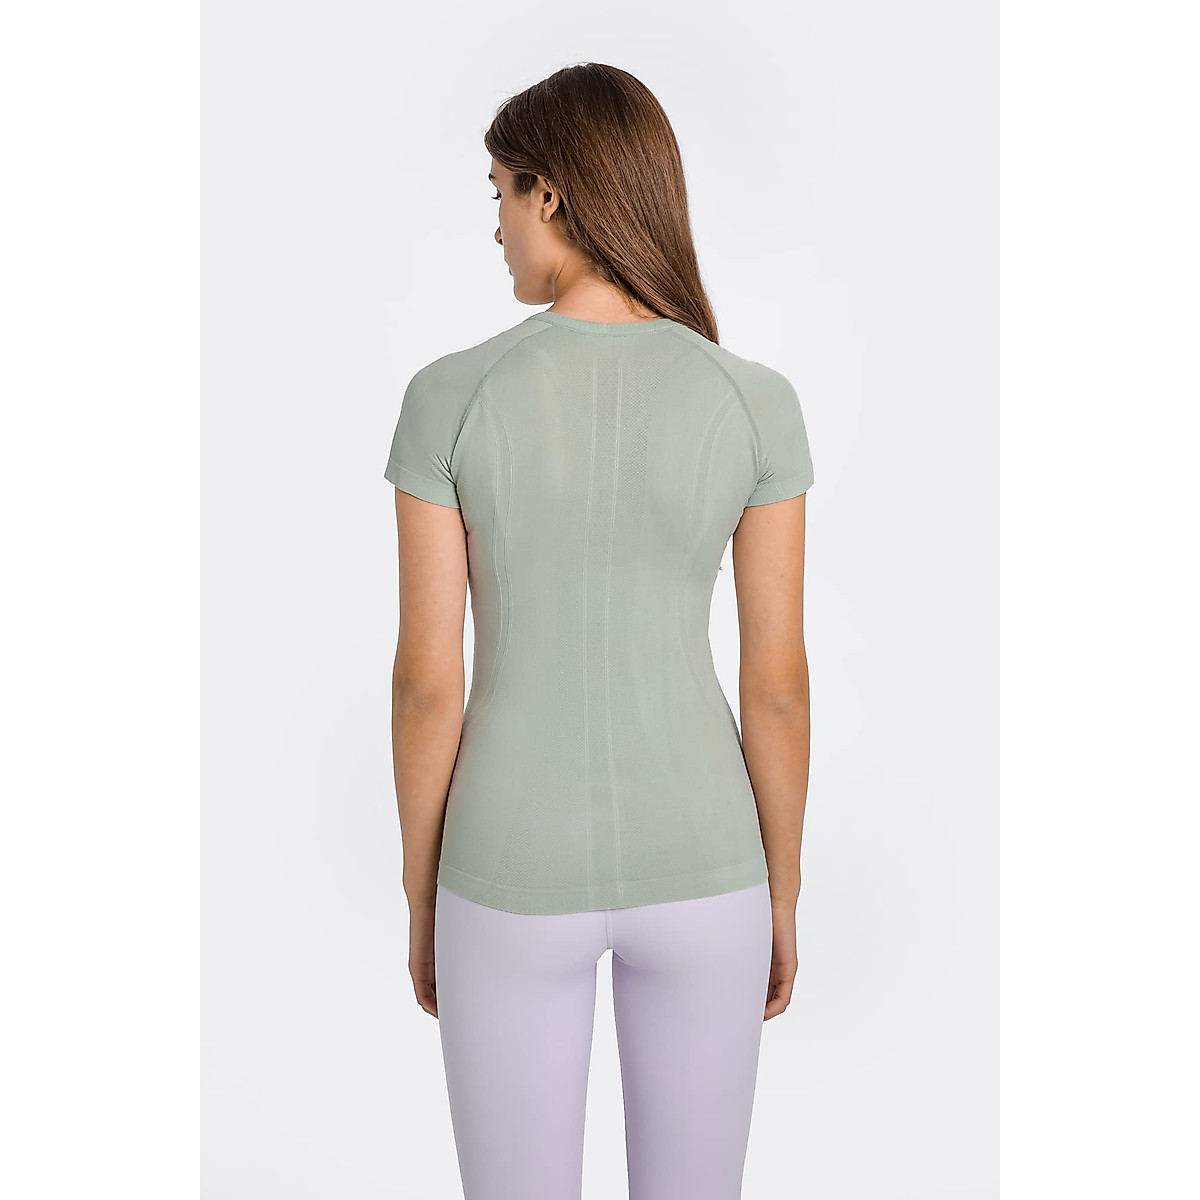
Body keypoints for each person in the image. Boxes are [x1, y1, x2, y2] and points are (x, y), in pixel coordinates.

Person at [384, 62, 814, 1200]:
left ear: (553, 193)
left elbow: (427, 684)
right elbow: (776, 685)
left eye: (500, 193)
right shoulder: (753, 400)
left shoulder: (451, 396)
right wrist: (780, 891)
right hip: (708, 863)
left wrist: (424, 897)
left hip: (505, 869)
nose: (495, 226)